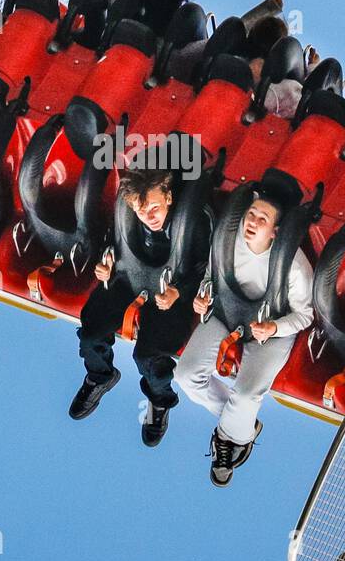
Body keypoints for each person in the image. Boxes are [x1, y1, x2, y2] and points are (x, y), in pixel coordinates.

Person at [175, 187, 313, 486]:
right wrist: (203, 297)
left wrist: (275, 328)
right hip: (226, 314)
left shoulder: (294, 265)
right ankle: (242, 427)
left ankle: (230, 436)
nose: (251, 221)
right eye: (250, 214)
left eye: (261, 219)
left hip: (271, 328)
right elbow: (212, 277)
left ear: (275, 232)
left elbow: (306, 315)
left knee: (248, 395)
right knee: (185, 375)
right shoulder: (227, 239)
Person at [68, 164, 209, 446]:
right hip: (131, 278)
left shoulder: (195, 222)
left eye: (154, 208)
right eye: (141, 211)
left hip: (171, 292)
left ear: (168, 198)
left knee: (147, 358)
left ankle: (160, 401)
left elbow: (206, 266)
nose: (149, 217)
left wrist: (179, 293)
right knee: (91, 332)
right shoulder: (133, 215)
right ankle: (100, 375)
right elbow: (114, 239)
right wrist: (106, 262)